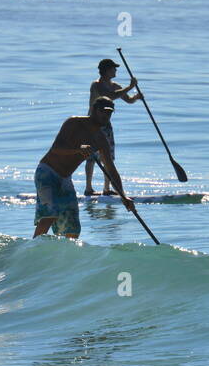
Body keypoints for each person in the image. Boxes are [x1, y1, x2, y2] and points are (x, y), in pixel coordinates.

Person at [33, 97, 135, 239]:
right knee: (50, 214)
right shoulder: (74, 123)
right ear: (94, 110)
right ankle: (34, 249)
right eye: (103, 112)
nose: (106, 116)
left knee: (73, 227)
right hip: (47, 173)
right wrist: (78, 150)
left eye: (109, 113)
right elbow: (57, 149)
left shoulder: (101, 139)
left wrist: (123, 196)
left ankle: (67, 257)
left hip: (65, 179)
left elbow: (111, 169)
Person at [84, 57, 141, 195]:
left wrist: (136, 97)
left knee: (108, 156)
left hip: (106, 124)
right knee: (92, 157)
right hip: (92, 124)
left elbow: (127, 100)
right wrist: (130, 87)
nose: (115, 70)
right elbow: (109, 96)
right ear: (106, 70)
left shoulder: (115, 85)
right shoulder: (96, 85)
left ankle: (107, 188)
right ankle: (88, 188)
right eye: (113, 68)